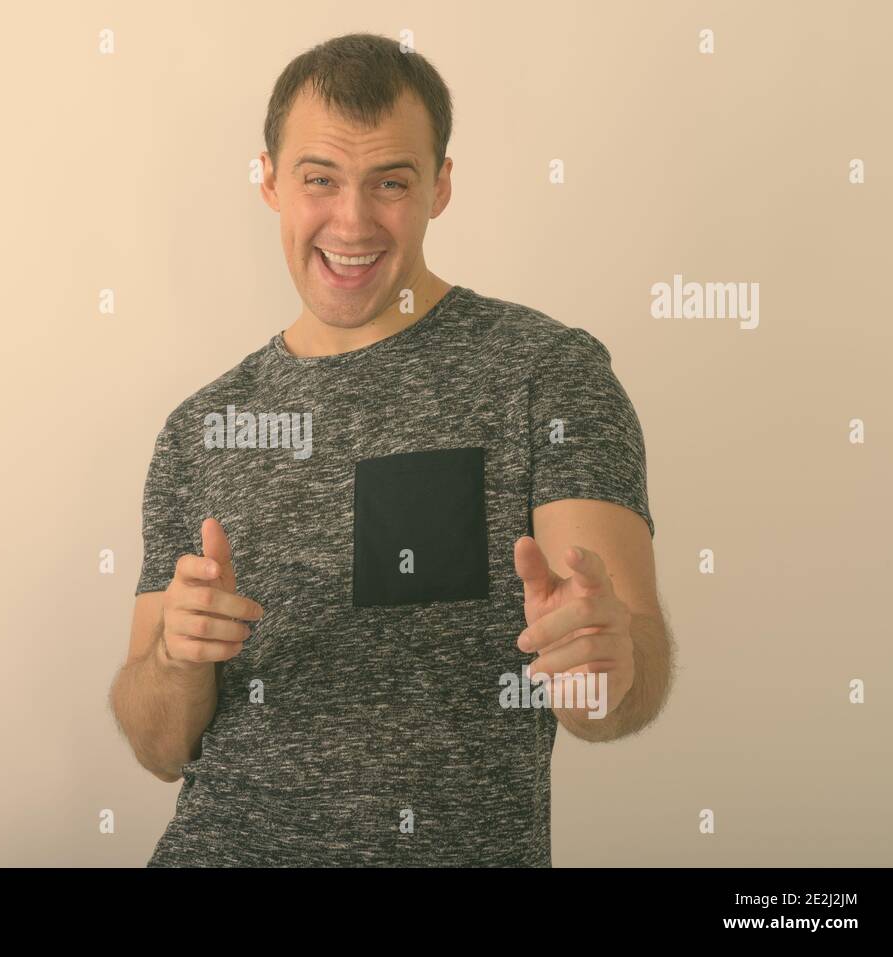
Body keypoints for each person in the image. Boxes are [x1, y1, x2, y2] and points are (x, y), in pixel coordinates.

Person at [109, 32, 673, 867]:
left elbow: (616, 686)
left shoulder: (544, 376)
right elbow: (161, 747)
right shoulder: (202, 427)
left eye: (391, 183)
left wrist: (604, 658)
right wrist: (176, 656)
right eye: (319, 180)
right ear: (268, 179)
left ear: (440, 186)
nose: (352, 220)